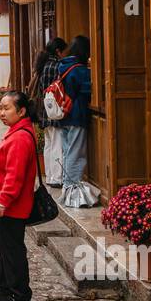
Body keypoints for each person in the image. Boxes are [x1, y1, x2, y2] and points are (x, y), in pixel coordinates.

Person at [0, 90, 39, 301]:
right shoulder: (15, 132)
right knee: (6, 247)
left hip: (10, 207)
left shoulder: (20, 138)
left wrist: (2, 202)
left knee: (13, 250)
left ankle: (20, 297)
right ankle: (5, 288)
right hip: (3, 204)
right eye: (1, 108)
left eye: (7, 108)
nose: (2, 112)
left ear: (22, 111)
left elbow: (14, 176)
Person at [53, 35, 100, 208]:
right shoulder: (80, 70)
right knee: (75, 153)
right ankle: (72, 190)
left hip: (63, 115)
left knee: (67, 151)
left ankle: (67, 187)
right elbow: (88, 90)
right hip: (77, 115)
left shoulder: (63, 65)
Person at [36, 38, 68, 186]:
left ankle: (49, 176)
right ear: (58, 51)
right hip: (53, 110)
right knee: (56, 143)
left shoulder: (44, 64)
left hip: (45, 110)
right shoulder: (56, 66)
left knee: (49, 144)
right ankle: (56, 178)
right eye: (64, 51)